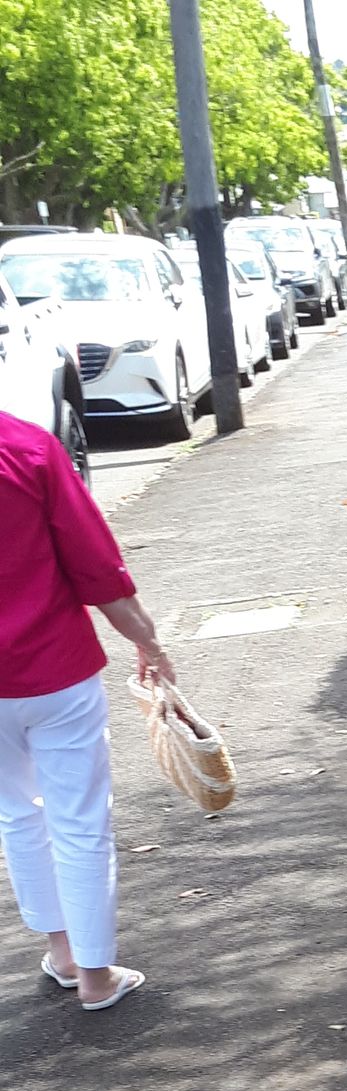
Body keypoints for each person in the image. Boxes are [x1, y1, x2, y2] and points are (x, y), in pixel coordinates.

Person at [0, 408, 174, 1010]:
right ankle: (96, 975)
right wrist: (149, 642)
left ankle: (64, 954)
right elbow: (93, 562)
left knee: (17, 813)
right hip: (55, 666)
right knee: (79, 820)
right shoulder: (26, 448)